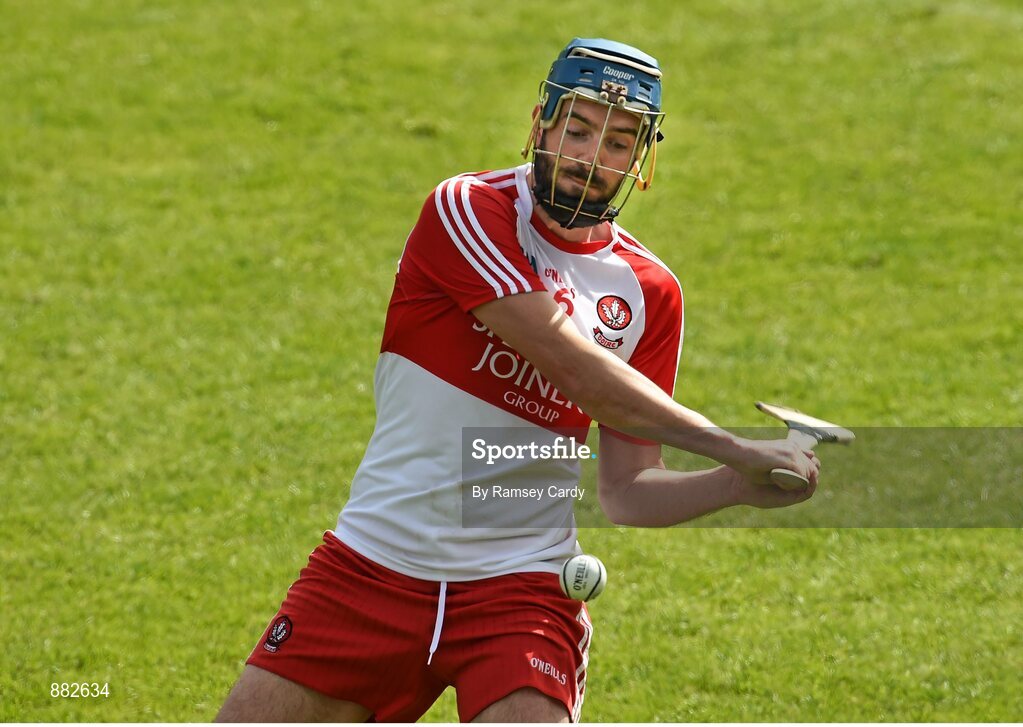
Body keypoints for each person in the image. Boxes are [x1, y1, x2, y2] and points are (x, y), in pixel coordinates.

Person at [216, 37, 820, 723]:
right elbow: (571, 365)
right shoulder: (467, 210)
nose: (592, 157)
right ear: (540, 123)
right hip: (371, 568)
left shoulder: (652, 292)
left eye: (619, 143)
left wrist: (734, 487)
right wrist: (735, 448)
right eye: (579, 128)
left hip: (521, 593)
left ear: (642, 160)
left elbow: (625, 492)